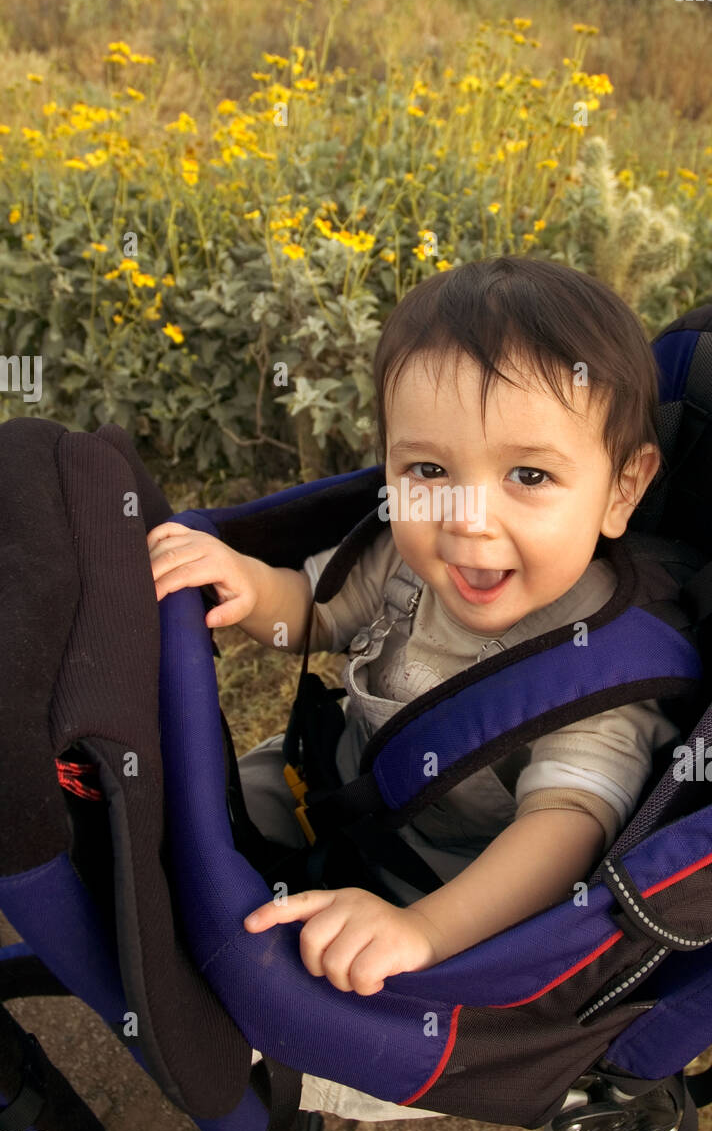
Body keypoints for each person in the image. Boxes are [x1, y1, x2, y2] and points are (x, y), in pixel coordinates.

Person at [147, 256, 681, 1007]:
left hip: (442, 888)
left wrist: (423, 930)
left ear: (622, 489)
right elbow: (312, 611)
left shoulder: (599, 665)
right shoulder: (404, 560)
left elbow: (564, 830)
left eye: (529, 477)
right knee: (164, 835)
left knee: (290, 978)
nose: (466, 520)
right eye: (429, 470)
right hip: (325, 782)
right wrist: (248, 584)